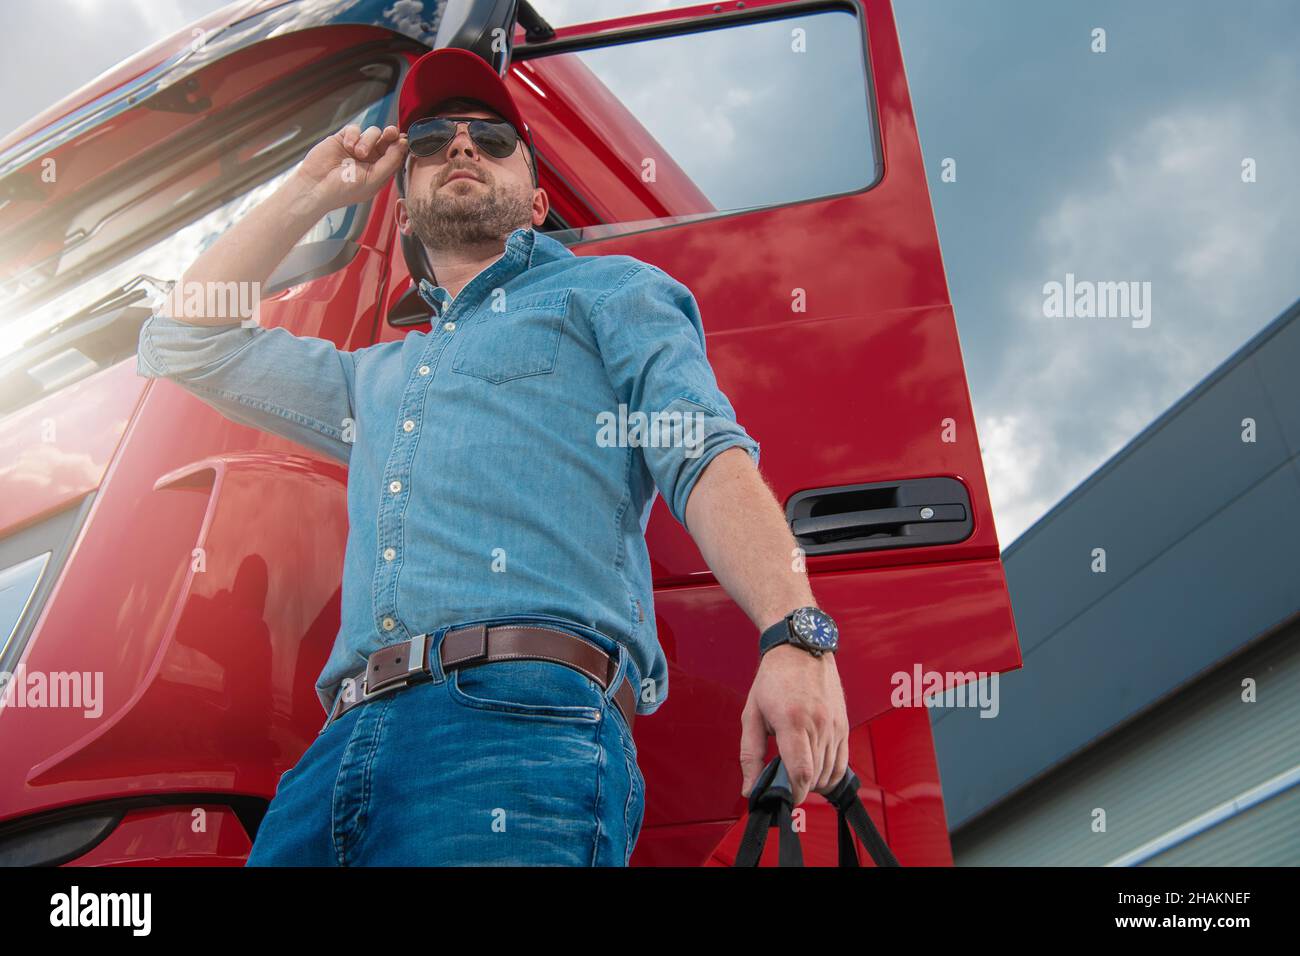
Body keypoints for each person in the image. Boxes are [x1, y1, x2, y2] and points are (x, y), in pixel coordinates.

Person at [136, 47, 849, 865]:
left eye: (492, 138)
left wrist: (795, 632)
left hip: (519, 727)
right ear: (401, 209)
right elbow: (183, 341)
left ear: (538, 199)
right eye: (432, 142)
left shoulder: (612, 292)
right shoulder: (371, 379)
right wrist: (313, 190)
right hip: (332, 759)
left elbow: (704, 454)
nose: (462, 148)